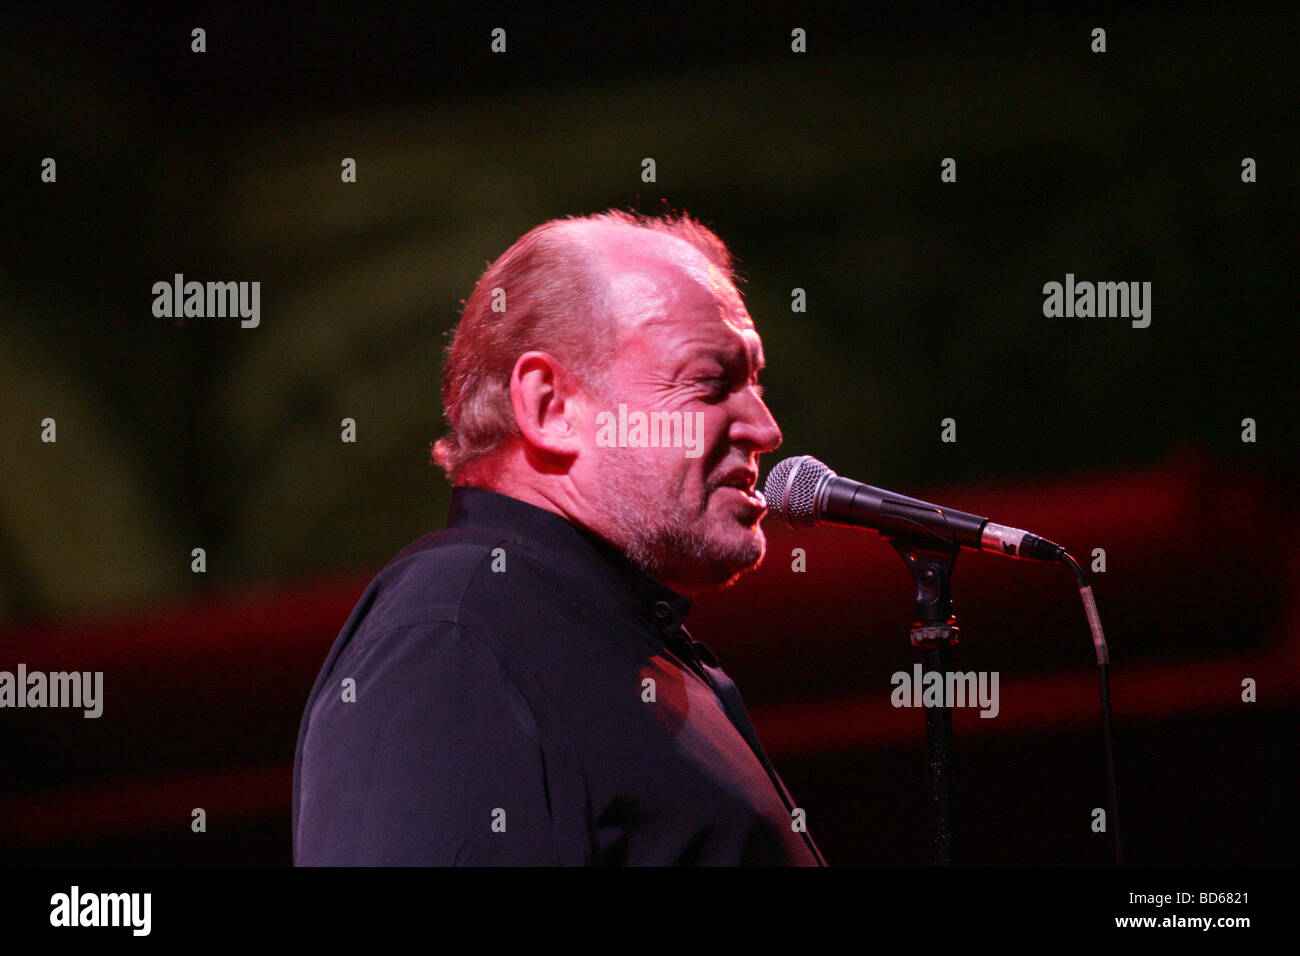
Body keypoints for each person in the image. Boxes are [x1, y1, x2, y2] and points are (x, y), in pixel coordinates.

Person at [292, 209, 825, 865]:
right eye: (710, 383)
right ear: (551, 407)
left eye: (755, 382)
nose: (765, 427)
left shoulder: (599, 630)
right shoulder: (453, 632)